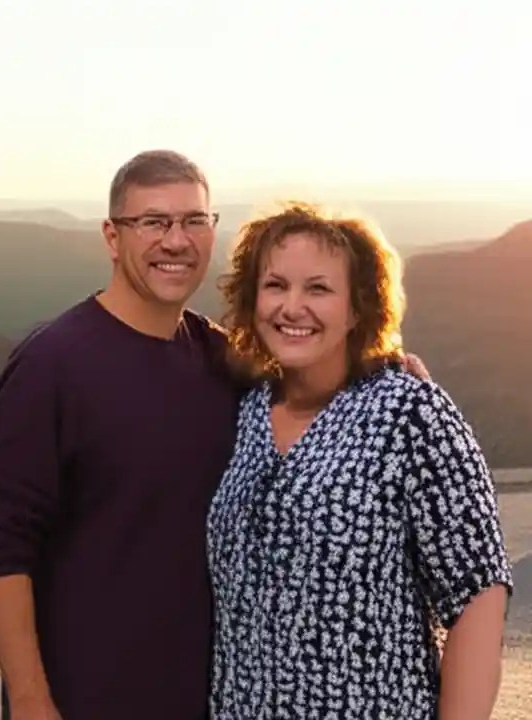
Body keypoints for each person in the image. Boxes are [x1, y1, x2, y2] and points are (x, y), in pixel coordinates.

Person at [206, 201, 513, 719]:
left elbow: (477, 594)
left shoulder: (410, 413)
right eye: (275, 285)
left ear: (357, 310)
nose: (292, 307)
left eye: (318, 289)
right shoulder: (242, 413)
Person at [0, 149, 242, 719]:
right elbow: (0, 545)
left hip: (199, 698)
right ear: (113, 237)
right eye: (153, 222)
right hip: (82, 696)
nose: (176, 241)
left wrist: (387, 369)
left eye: (194, 220)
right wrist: (30, 699)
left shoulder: (219, 359)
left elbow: (312, 379)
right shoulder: (52, 365)